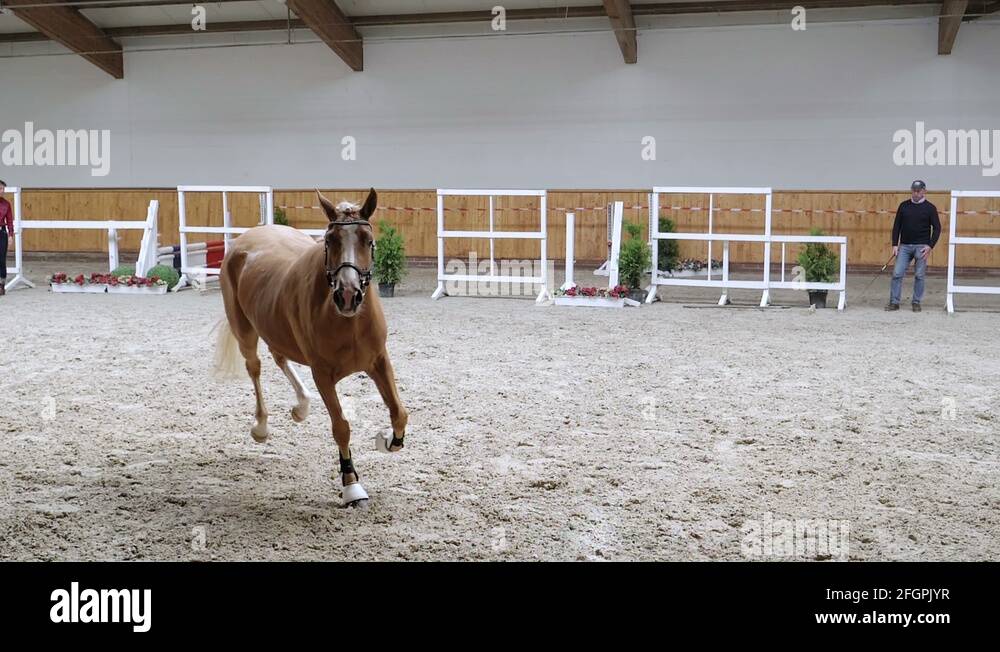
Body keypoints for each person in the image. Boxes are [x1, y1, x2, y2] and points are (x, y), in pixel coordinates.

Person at [887, 180, 941, 312]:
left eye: (918, 191)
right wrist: (895, 244)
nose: (916, 193)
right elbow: (896, 227)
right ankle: (894, 302)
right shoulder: (903, 206)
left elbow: (937, 228)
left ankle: (916, 302)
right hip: (904, 246)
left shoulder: (930, 208)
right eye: (914, 190)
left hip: (921, 246)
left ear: (924, 191)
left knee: (919, 275)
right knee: (897, 273)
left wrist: (930, 246)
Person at [0, 180, 12, 297]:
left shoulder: (6, 204)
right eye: (0, 189)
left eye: (3, 189)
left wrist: (10, 235)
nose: (2, 191)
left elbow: (9, 220)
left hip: (1, 232)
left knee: (2, 259)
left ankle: (2, 285)